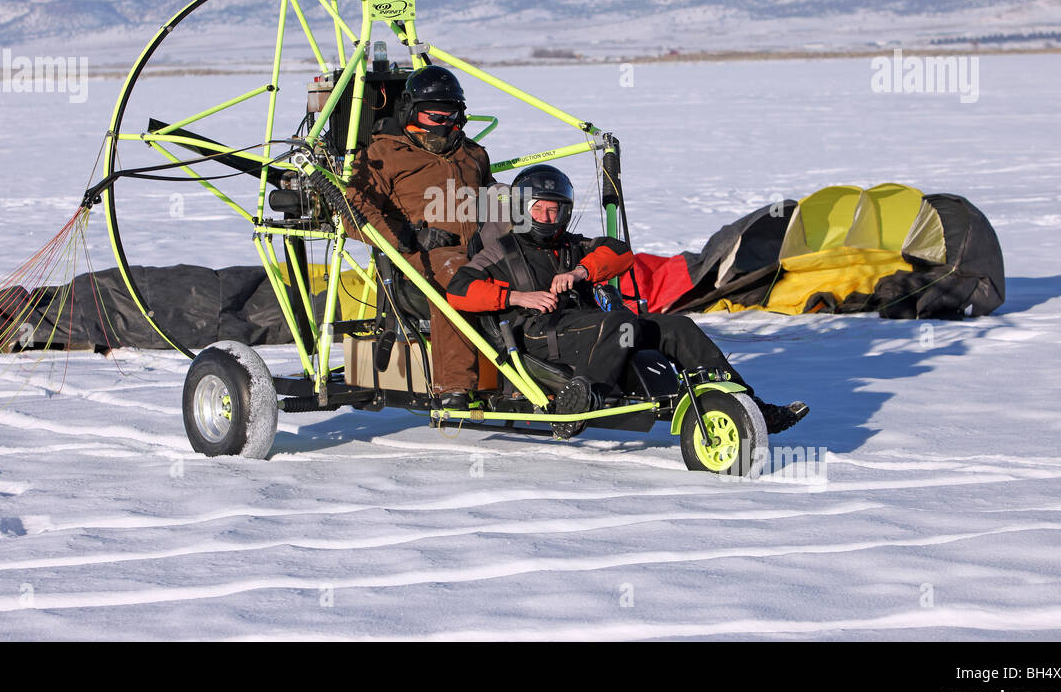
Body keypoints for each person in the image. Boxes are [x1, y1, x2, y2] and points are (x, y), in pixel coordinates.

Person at [445, 164, 809, 433]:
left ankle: (749, 406)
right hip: (541, 335)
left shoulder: (574, 246)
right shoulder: (500, 252)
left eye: (555, 209)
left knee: (676, 326)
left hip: (592, 329)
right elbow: (459, 290)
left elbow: (620, 253)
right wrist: (520, 296)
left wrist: (579, 272)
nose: (547, 216)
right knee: (620, 322)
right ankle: (580, 399)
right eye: (539, 208)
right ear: (522, 209)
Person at [344, 65, 494, 407]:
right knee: (458, 281)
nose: (441, 124)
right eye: (432, 116)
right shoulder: (382, 155)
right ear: (411, 112)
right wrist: (407, 237)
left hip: (478, 250)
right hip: (417, 260)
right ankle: (453, 387)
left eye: (449, 115)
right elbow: (355, 213)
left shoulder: (473, 154)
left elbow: (491, 201)